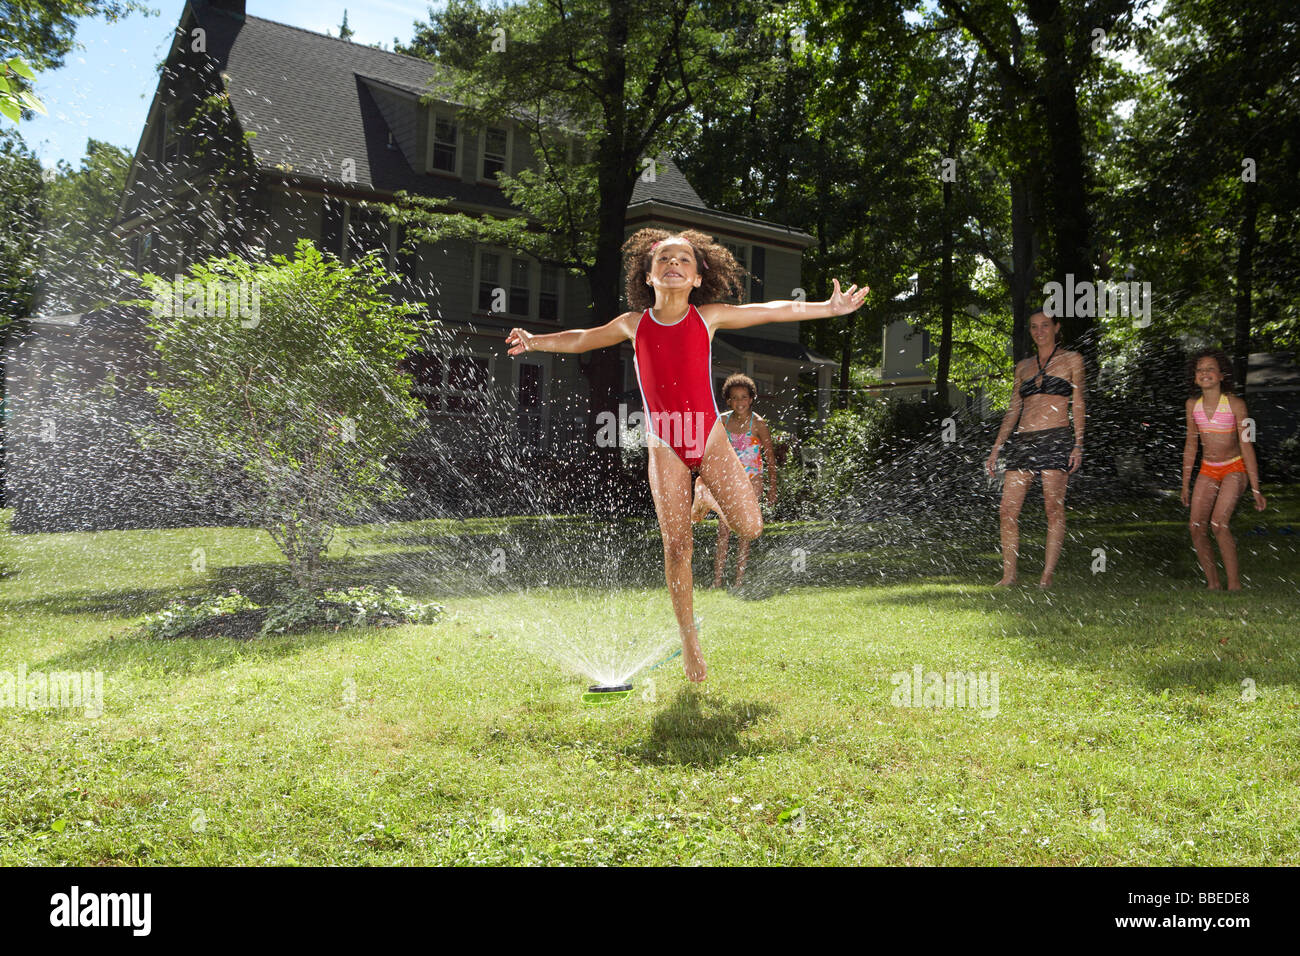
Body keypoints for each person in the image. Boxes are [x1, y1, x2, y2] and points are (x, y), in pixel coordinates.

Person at [506, 229, 867, 681]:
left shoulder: (708, 317)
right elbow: (582, 338)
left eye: (684, 260)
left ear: (697, 278)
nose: (674, 264)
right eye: (664, 259)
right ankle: (690, 643)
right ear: (649, 275)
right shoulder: (633, 324)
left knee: (751, 526)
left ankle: (707, 496)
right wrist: (536, 342)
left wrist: (826, 308)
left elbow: (772, 311)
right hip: (664, 443)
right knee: (677, 546)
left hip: (708, 436)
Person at [985, 309, 1085, 588]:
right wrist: (996, 448)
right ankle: (1008, 576)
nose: (1039, 331)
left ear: (1056, 327)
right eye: (1033, 327)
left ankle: (1046, 576)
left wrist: (1078, 443)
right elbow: (1013, 410)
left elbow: (1078, 404)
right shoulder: (1023, 366)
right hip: (1023, 441)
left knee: (1053, 508)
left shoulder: (1072, 360)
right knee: (1007, 510)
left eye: (1045, 325)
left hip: (1057, 437)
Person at [1181, 348, 1266, 590]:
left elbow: (1246, 446)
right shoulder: (1192, 405)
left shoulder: (1236, 404)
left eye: (1210, 369)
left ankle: (1235, 585)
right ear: (1194, 376)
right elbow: (1191, 444)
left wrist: (1256, 487)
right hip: (1208, 469)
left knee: (1219, 524)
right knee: (1196, 527)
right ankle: (1213, 584)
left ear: (1221, 375)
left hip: (1234, 468)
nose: (1204, 373)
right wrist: (1185, 483)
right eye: (1200, 370)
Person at [689, 374, 777, 588]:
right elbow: (712, 450)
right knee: (723, 530)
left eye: (744, 397)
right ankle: (717, 581)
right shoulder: (722, 421)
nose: (740, 402)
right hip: (728, 480)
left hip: (751, 481)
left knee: (744, 532)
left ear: (751, 399)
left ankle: (738, 581)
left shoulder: (758, 424)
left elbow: (770, 457)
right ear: (728, 400)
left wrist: (772, 487)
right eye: (735, 398)